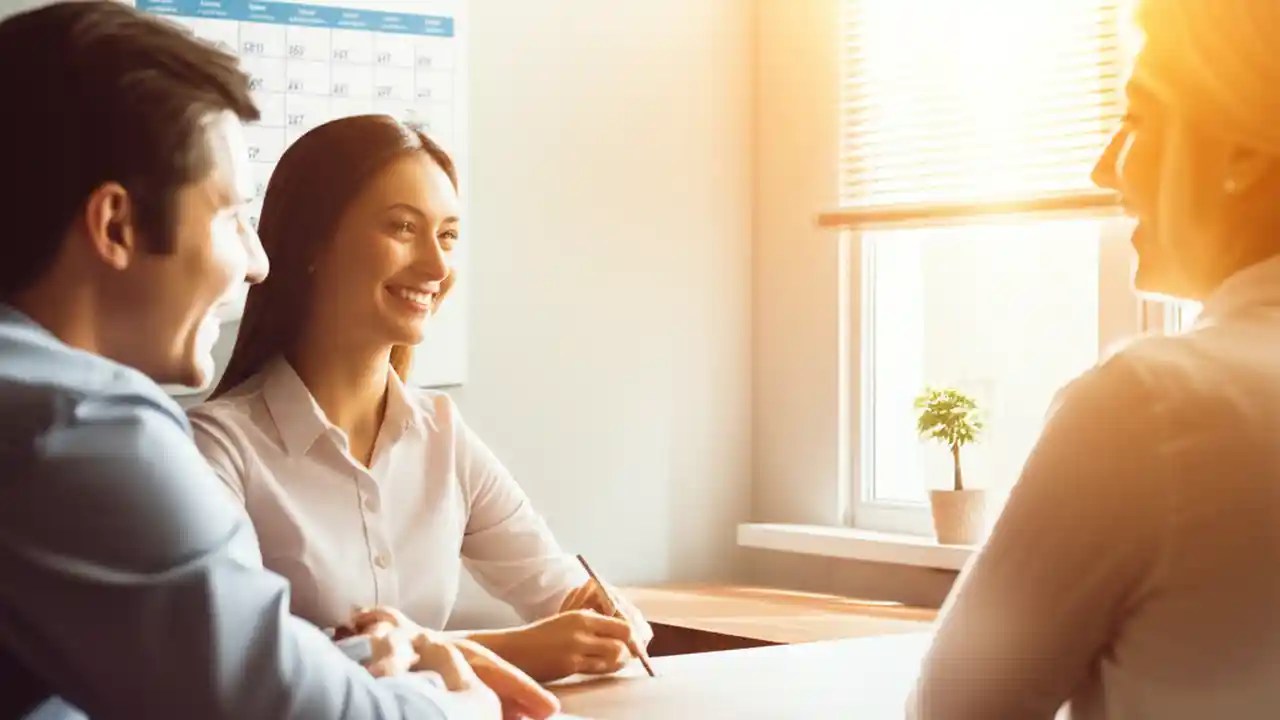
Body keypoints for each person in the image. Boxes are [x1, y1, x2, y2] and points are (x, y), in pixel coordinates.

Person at [0, 3, 556, 719]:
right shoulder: (77, 428)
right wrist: (461, 700)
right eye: (230, 217)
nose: (258, 262)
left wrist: (361, 662)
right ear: (117, 225)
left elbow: (209, 670)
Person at [187, 113, 654, 684]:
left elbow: (560, 592)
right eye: (404, 228)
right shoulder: (216, 449)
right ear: (313, 242)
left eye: (449, 235)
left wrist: (609, 617)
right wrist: (509, 652)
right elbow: (246, 667)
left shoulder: (441, 432)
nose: (437, 267)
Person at [910, 0, 1280, 718]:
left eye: (1137, 120)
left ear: (1241, 150)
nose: (1104, 166)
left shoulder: (1151, 408)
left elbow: (951, 713)